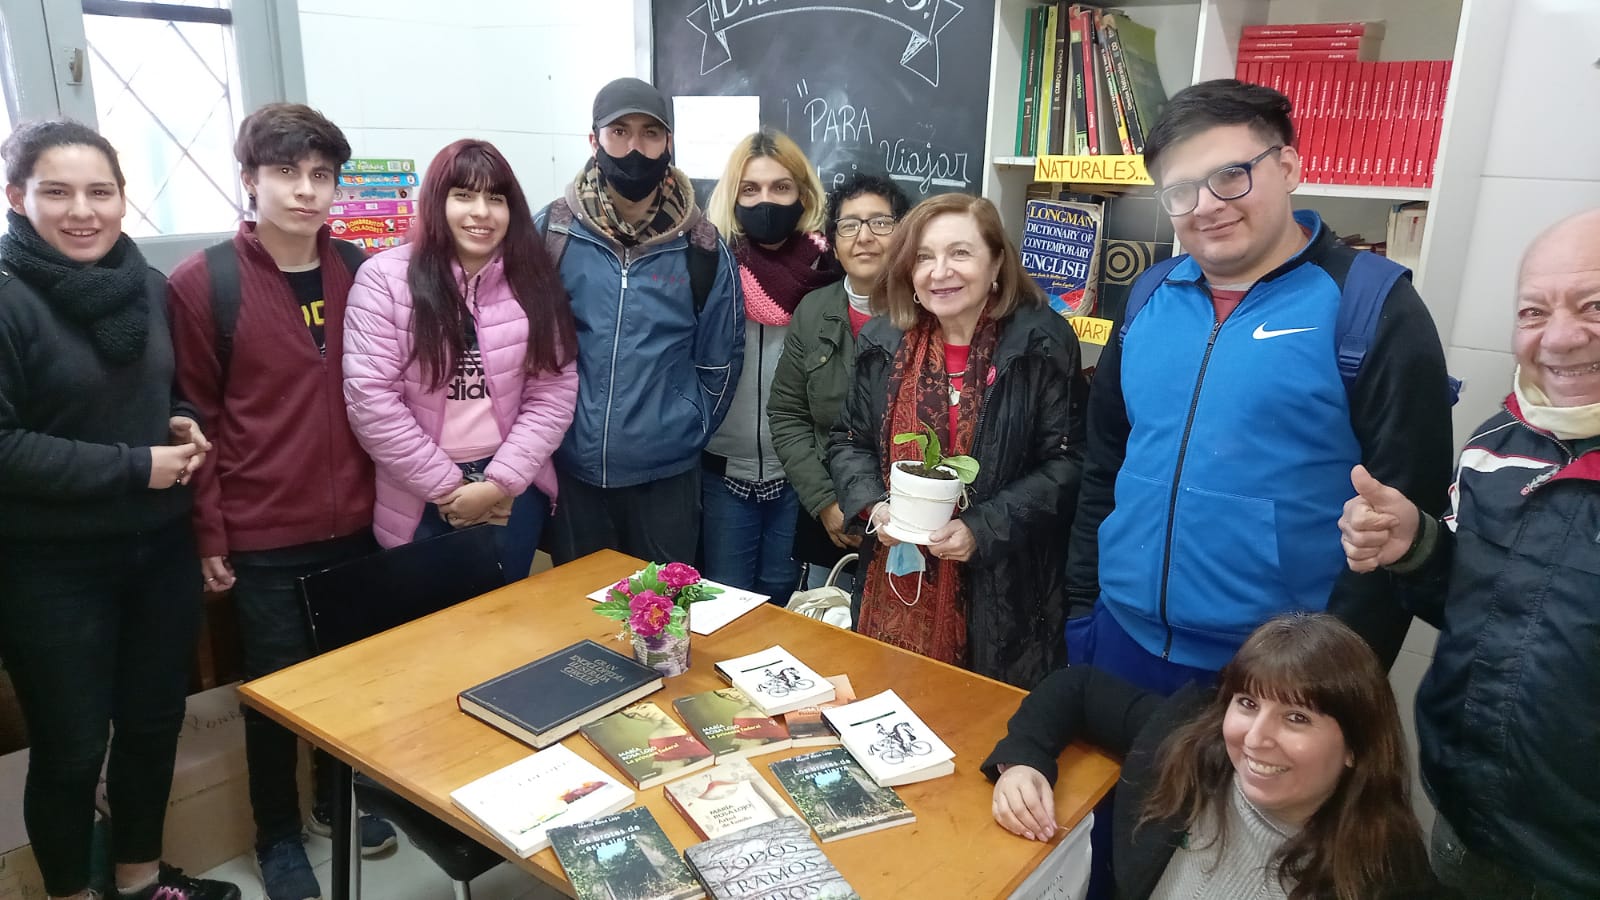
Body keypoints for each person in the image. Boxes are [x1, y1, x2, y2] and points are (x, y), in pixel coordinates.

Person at [1064, 79, 1453, 694]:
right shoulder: (1148, 296)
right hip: (1119, 641)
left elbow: (1398, 524)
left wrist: (1332, 684)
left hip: (1275, 675)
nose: (1206, 205)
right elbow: (1103, 465)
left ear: (1289, 166)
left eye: (1231, 176)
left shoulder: (1373, 306)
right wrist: (1083, 608)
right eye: (1180, 190)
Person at [0, 120, 239, 900]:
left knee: (151, 725)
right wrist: (139, 466)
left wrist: (181, 421)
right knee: (71, 751)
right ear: (17, 197)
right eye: (57, 192)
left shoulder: (147, 284)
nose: (83, 211)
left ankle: (140, 881)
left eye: (99, 192)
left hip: (156, 551)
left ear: (123, 198)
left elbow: (165, 389)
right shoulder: (9, 297)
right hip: (49, 568)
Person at [1337, 209, 1600, 899]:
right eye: (1534, 311)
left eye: (1593, 305)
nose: (1560, 337)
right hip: (1470, 825)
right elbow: (1481, 606)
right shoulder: (1496, 446)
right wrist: (1417, 546)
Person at [166, 102, 392, 900]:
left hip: (360, 522)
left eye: (322, 175)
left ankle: (337, 799)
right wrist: (210, 532)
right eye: (286, 173)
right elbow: (195, 419)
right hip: (264, 533)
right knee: (275, 692)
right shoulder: (206, 283)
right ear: (250, 180)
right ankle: (278, 834)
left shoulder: (362, 270)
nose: (306, 191)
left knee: (350, 678)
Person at [985, 614, 1441, 900]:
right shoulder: (1190, 744)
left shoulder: (1387, 877)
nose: (1256, 738)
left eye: (1296, 718)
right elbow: (1077, 688)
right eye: (1248, 703)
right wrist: (1023, 760)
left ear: (1355, 747)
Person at [828, 193, 1083, 688]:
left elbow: (1068, 463)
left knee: (976, 721)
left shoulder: (1041, 343)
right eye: (924, 256)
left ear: (997, 263)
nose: (939, 271)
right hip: (893, 579)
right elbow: (848, 440)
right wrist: (875, 506)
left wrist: (981, 529)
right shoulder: (883, 340)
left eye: (960, 253)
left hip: (1005, 599)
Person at [344, 139, 578, 579]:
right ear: (437, 202)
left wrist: (498, 483)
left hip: (511, 485)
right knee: (433, 619)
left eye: (496, 198)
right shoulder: (383, 279)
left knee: (510, 612)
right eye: (464, 195)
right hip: (418, 491)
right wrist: (451, 489)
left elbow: (553, 391)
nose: (481, 212)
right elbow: (371, 401)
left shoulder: (533, 280)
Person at [536, 77, 742, 567]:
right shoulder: (552, 232)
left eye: (650, 133)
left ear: (669, 142)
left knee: (663, 609)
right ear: (594, 140)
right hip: (573, 470)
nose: (635, 149)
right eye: (619, 132)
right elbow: (522, 345)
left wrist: (686, 426)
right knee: (579, 607)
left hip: (666, 478)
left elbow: (720, 361)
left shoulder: (702, 247)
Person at [700, 129, 837, 601]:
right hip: (721, 472)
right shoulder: (710, 264)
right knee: (726, 598)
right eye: (750, 189)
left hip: (801, 475)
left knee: (786, 599)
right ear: (732, 195)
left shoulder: (828, 271)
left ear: (803, 193)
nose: (766, 201)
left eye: (781, 187)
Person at [769, 172, 910, 585]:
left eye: (880, 222)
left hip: (910, 520)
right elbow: (787, 414)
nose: (864, 237)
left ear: (904, 234)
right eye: (849, 225)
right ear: (833, 241)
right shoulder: (813, 311)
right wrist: (826, 502)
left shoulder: (929, 312)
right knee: (826, 618)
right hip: (833, 518)